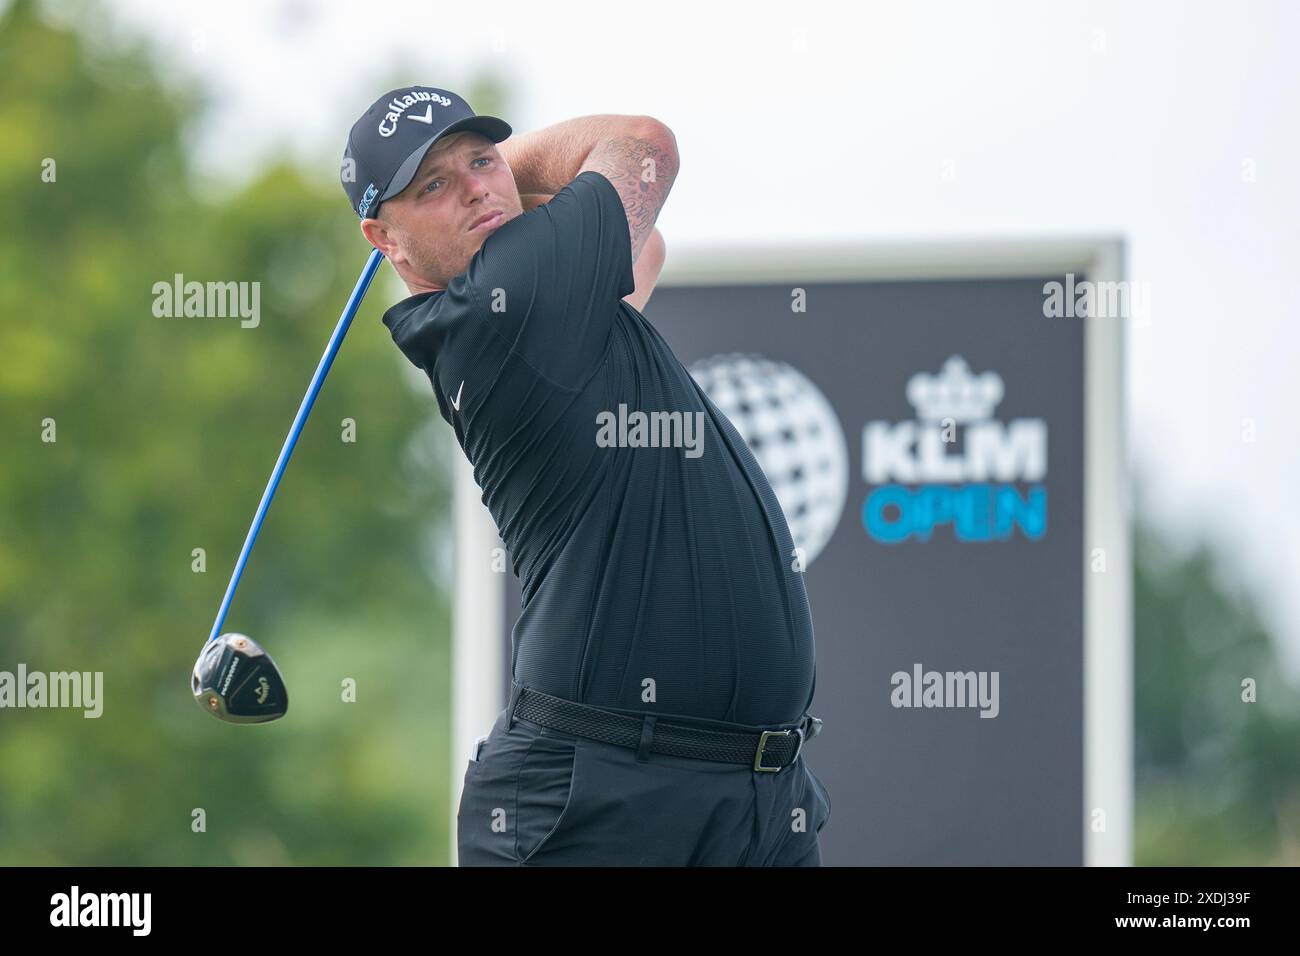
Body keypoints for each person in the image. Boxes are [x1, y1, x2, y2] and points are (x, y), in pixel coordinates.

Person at [341, 86, 830, 865]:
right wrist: (507, 178)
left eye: (481, 159)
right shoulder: (509, 305)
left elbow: (647, 247)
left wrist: (479, 191)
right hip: (602, 803)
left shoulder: (538, 305)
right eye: (432, 184)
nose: (473, 185)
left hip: (743, 797)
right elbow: (644, 145)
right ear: (384, 239)